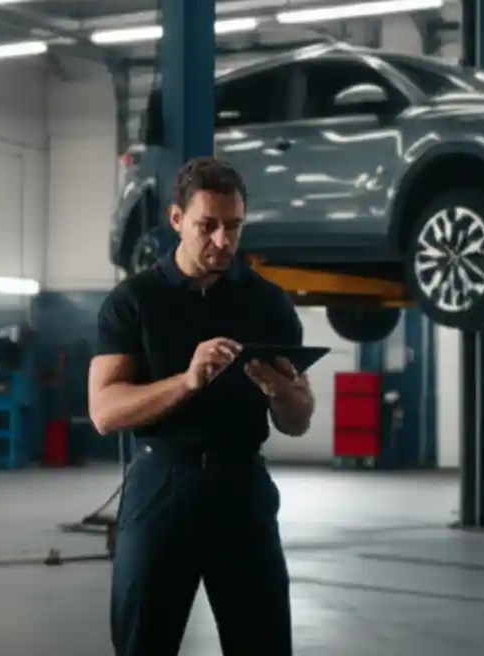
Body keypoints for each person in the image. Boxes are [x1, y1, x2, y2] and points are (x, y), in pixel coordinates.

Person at [87, 156, 315, 656]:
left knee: (263, 644)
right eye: (206, 226)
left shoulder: (268, 303)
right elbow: (105, 411)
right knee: (144, 641)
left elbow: (298, 422)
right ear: (176, 220)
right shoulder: (135, 301)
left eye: (233, 227)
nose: (221, 241)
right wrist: (187, 382)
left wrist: (283, 392)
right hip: (162, 487)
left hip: (242, 490)